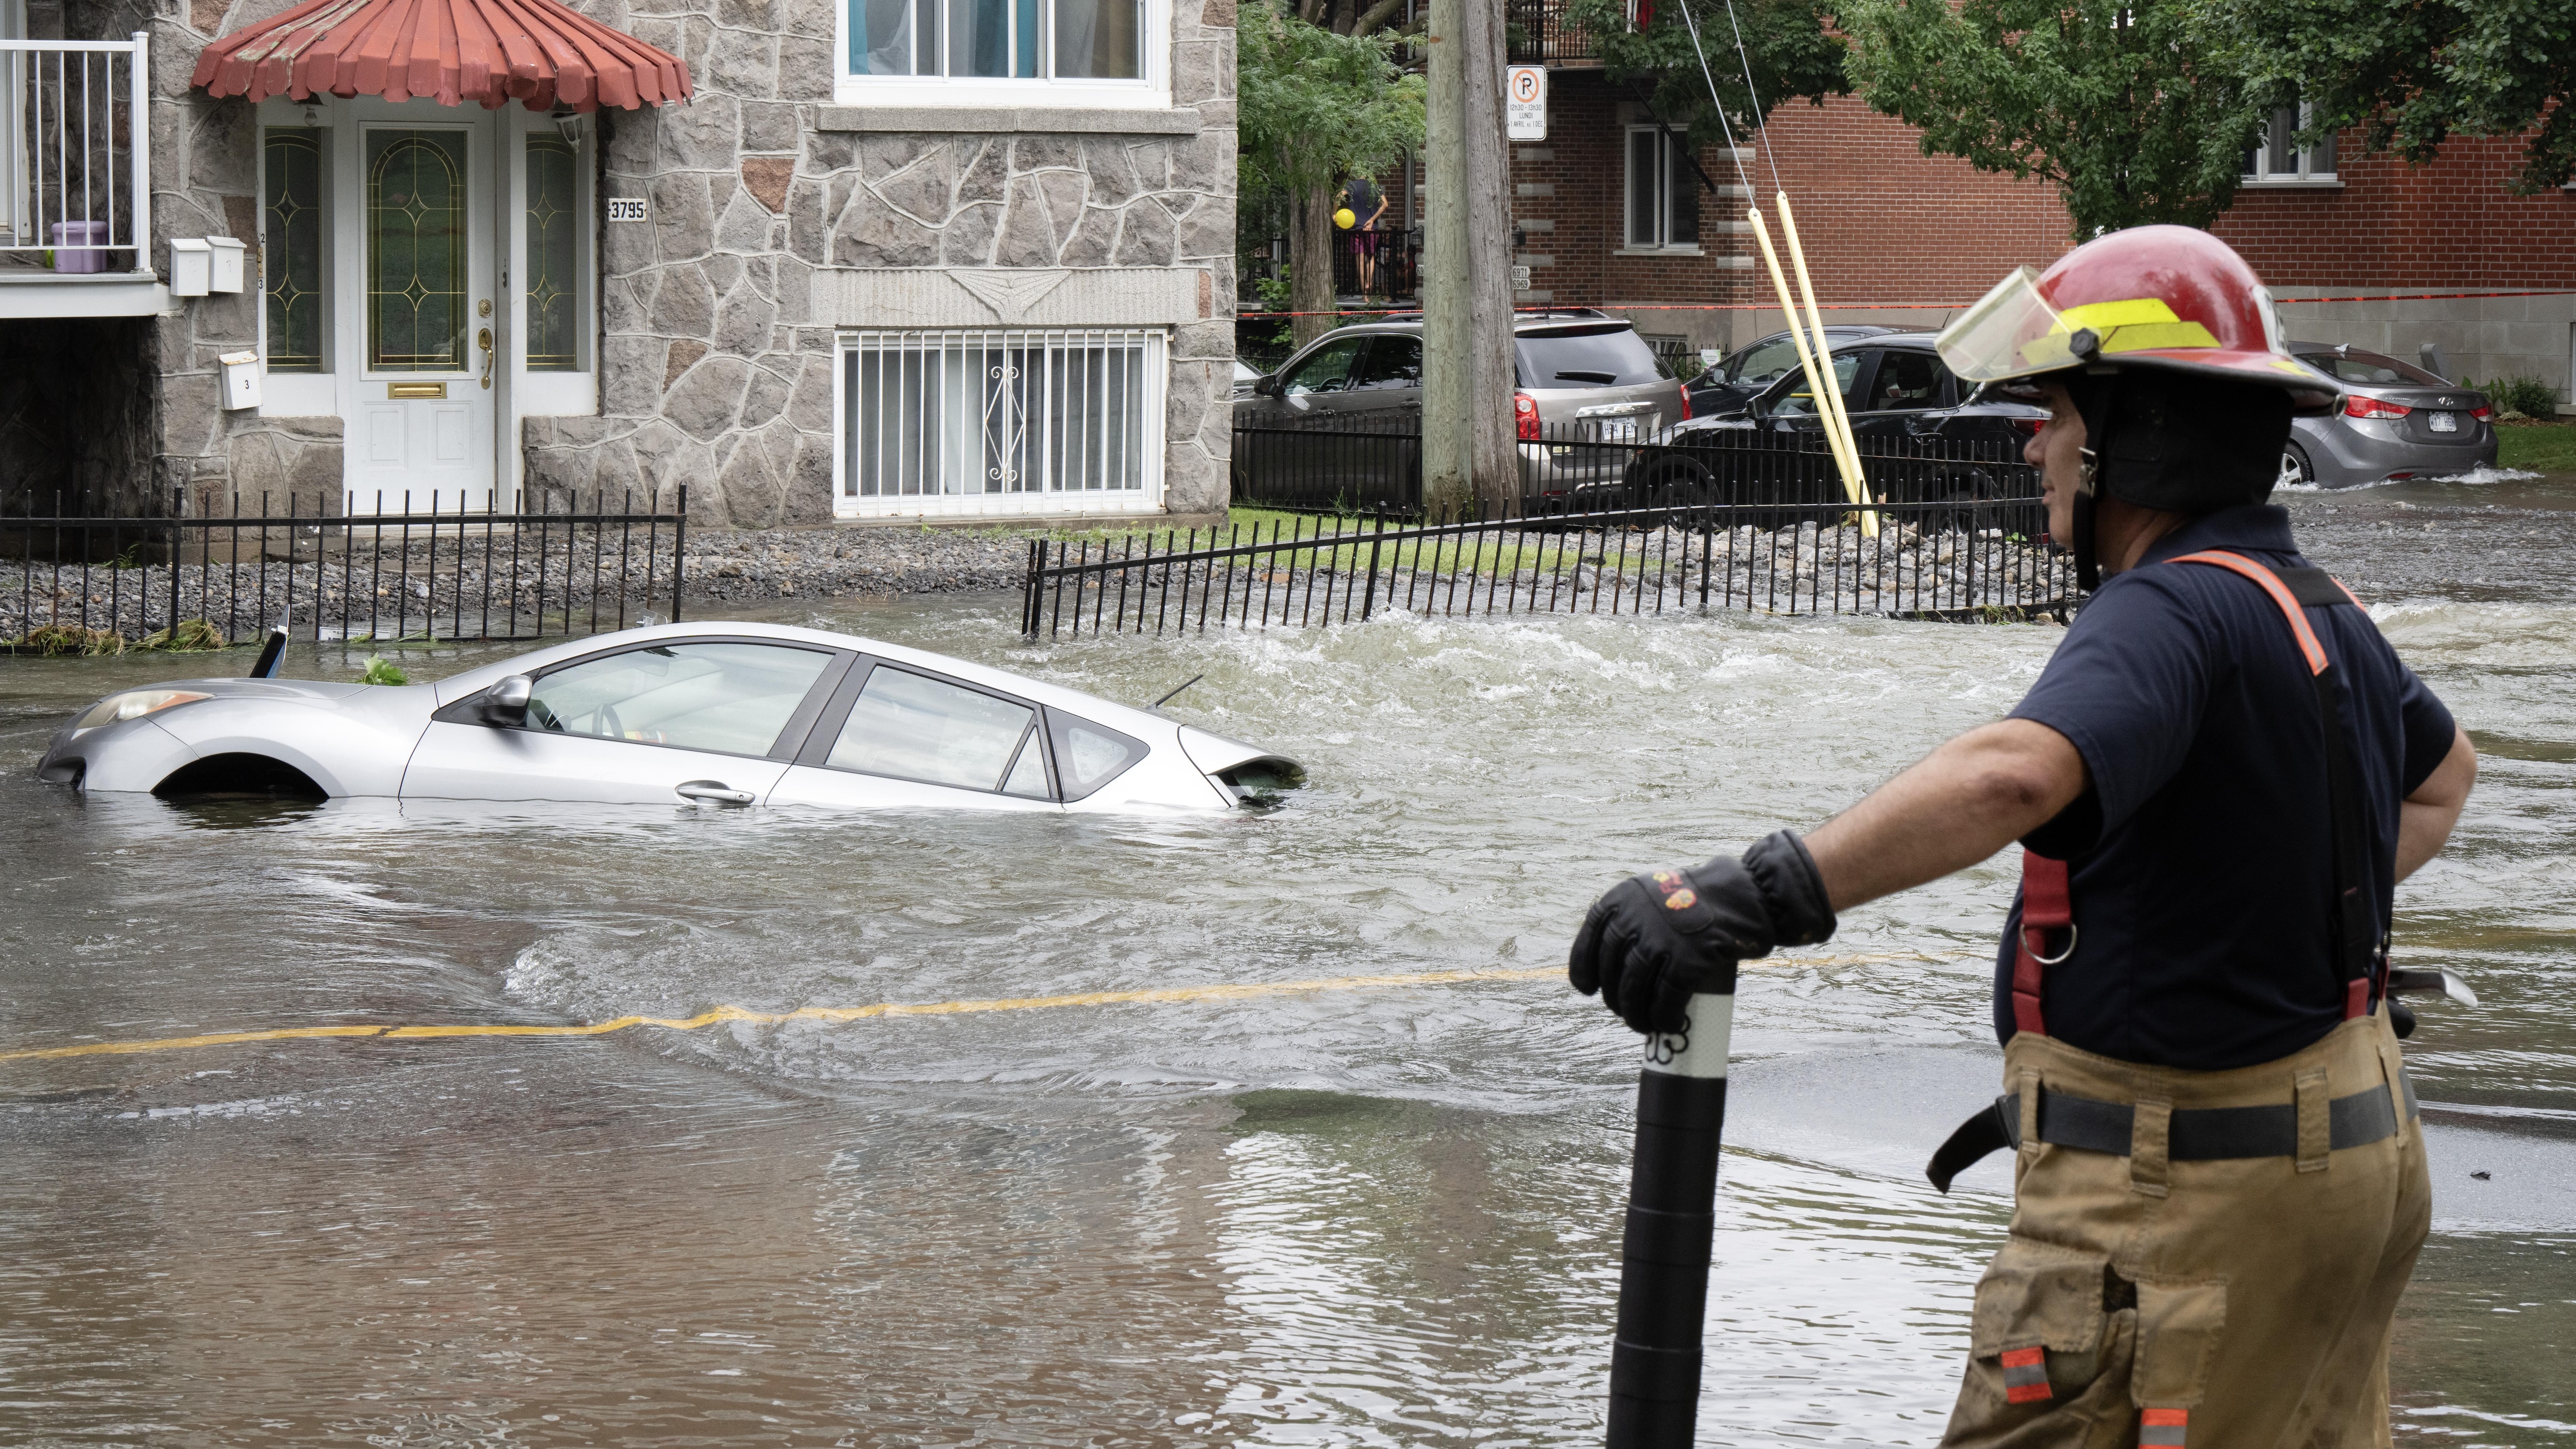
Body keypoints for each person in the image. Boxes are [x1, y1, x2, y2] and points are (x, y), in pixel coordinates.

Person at [1566, 226, 2478, 1447]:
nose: (2037, 446)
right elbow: (2439, 782)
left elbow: (2010, 774)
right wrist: (2273, 923)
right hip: (2346, 1169)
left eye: (2052, 415)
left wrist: (1761, 889)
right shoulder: (2311, 602)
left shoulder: (2165, 607)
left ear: (2123, 437)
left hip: (2178, 1205)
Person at [1341, 175, 1391, 298]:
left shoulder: (1352, 185)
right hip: (1372, 228)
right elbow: (1385, 204)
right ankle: (1369, 282)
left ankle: (1365, 294)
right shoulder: (1374, 186)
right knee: (1371, 257)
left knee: (1360, 260)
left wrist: (1334, 214)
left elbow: (1338, 196)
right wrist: (1372, 220)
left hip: (1357, 227)